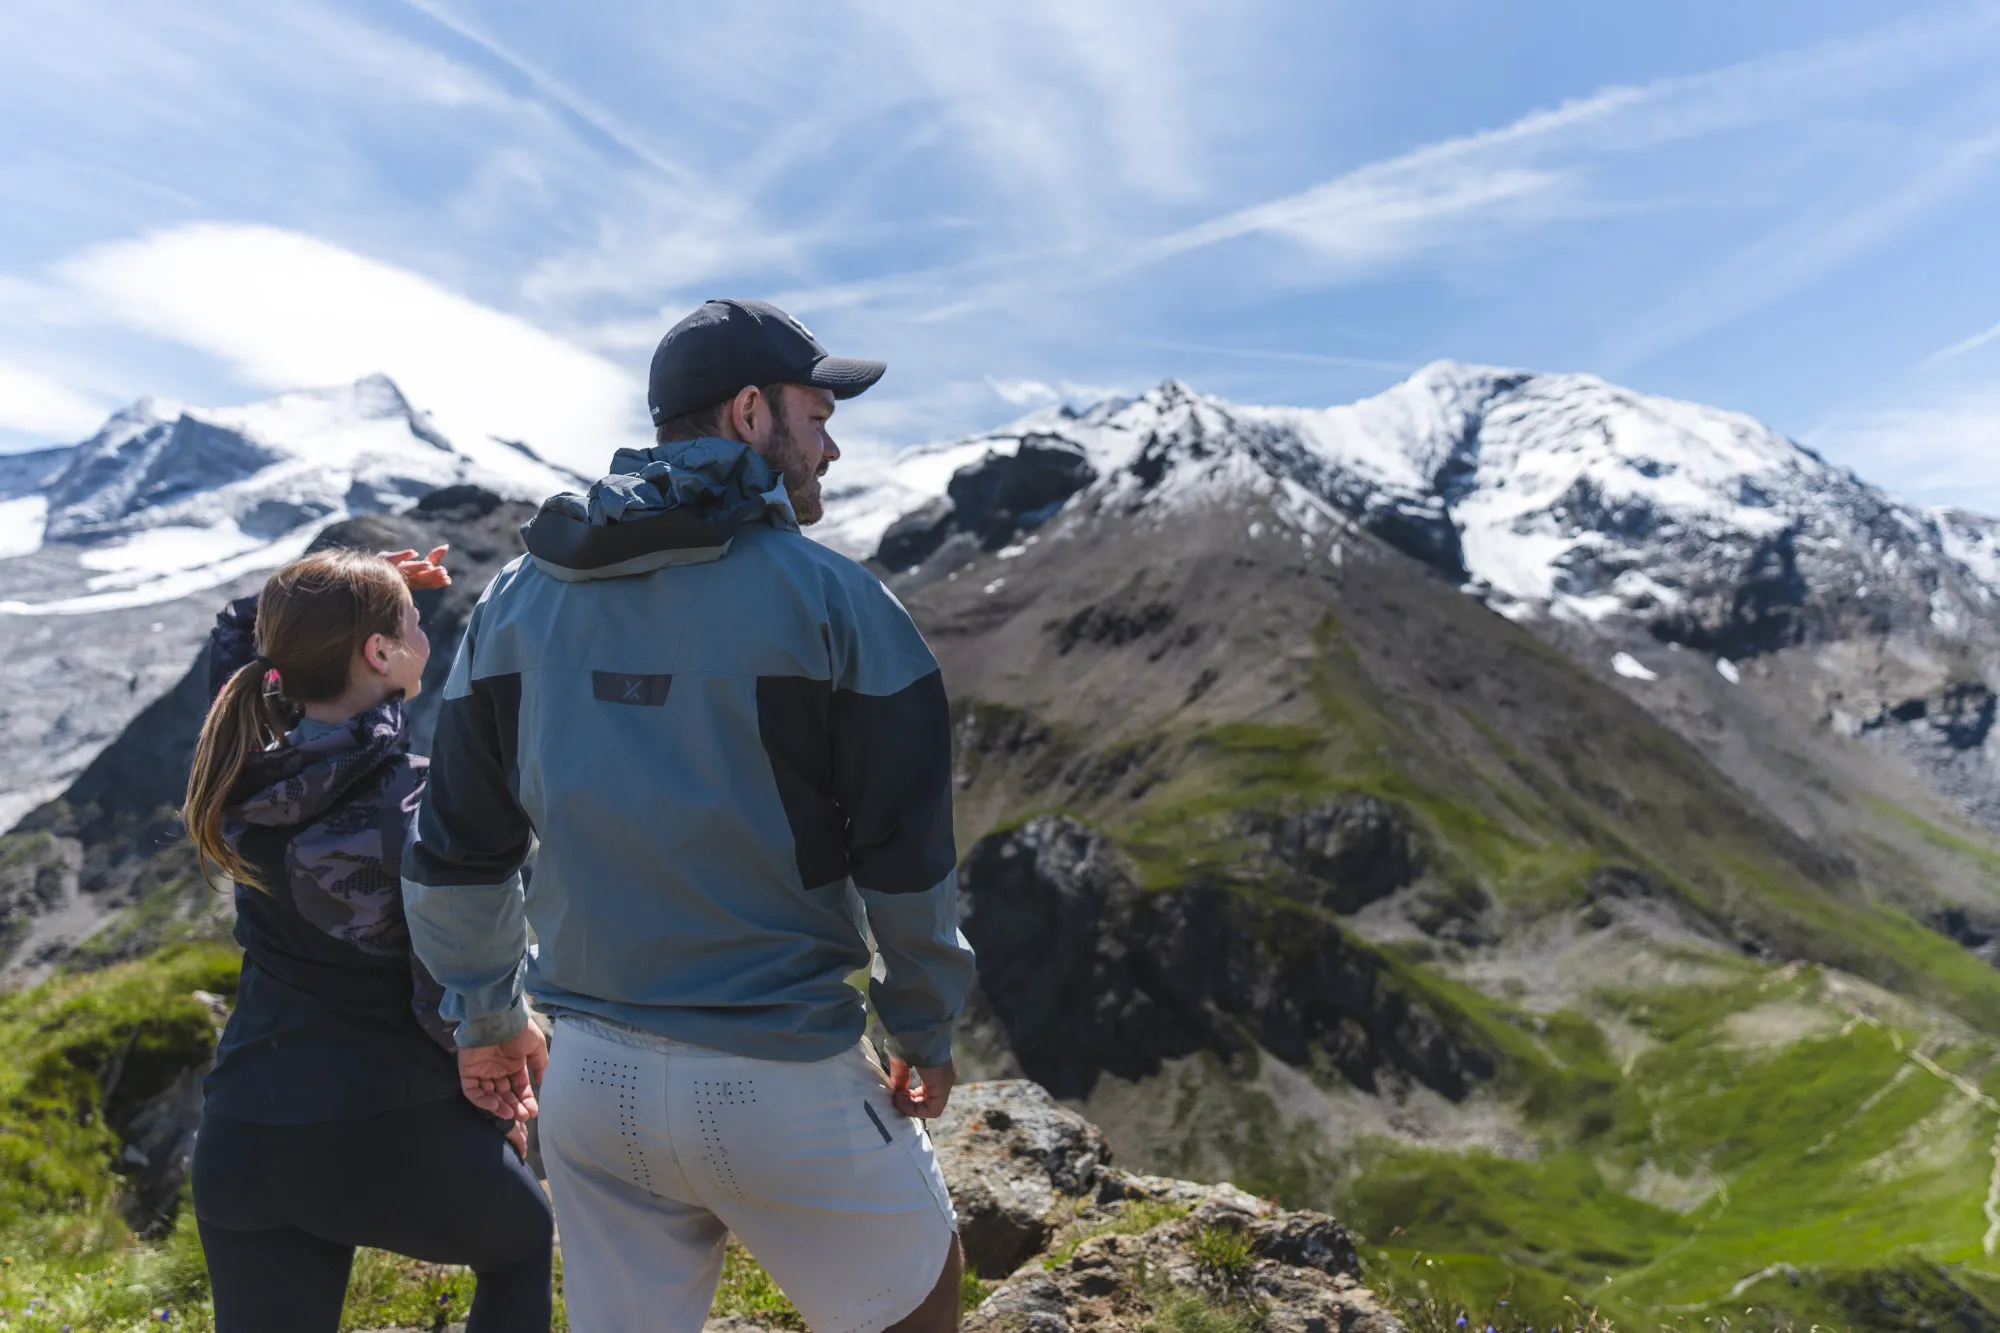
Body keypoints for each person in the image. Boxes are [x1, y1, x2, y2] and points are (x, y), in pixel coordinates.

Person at [402, 298, 976, 1333]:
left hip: (586, 1087)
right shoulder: (837, 601)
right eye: (818, 411)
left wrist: (485, 1018)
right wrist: (922, 1024)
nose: (832, 444)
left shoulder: (517, 600)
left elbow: (456, 850)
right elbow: (905, 859)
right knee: (918, 1306)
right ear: (750, 414)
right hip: (781, 1081)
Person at [184, 544, 554, 1333]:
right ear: (380, 654)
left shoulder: (243, 766)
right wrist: (491, 1096)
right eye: (413, 624)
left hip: (243, 1136)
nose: (426, 633)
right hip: (384, 1124)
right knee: (521, 1245)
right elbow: (441, 983)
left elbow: (234, 634)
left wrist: (325, 590)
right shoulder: (421, 800)